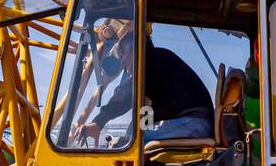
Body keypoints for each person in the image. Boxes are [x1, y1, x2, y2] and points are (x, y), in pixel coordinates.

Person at [74, 32, 214, 144]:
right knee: (130, 139)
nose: (123, 65)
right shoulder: (156, 67)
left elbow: (125, 95)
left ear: (133, 50)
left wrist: (98, 123)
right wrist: (131, 132)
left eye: (122, 55)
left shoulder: (154, 60)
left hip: (194, 123)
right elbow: (148, 112)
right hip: (192, 123)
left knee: (131, 143)